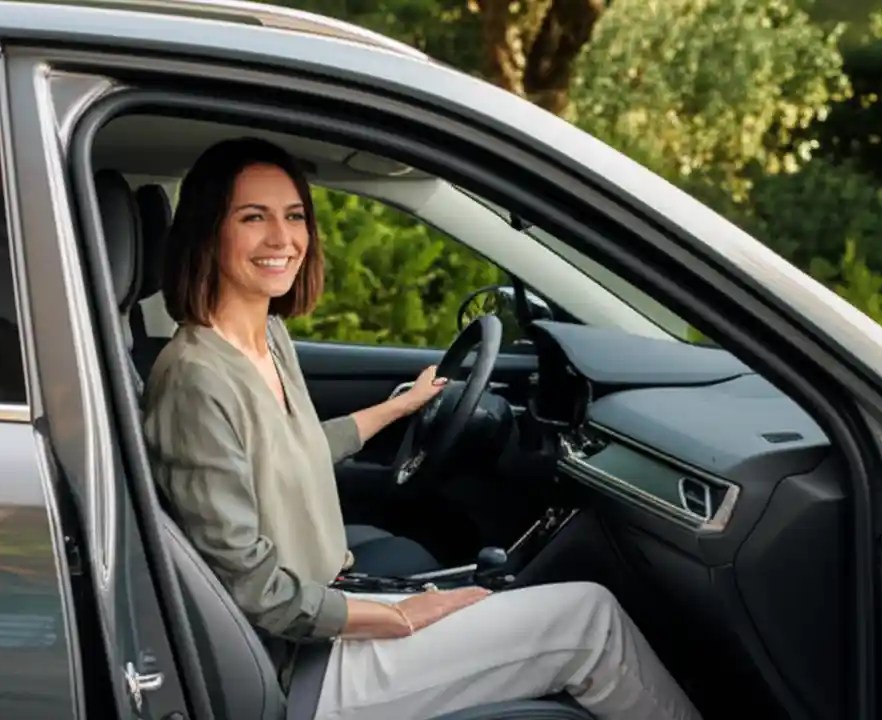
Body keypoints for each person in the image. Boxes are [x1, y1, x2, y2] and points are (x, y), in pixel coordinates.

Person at [141, 137, 702, 720]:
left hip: (329, 608)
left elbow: (291, 449)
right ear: (208, 232)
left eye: (295, 216)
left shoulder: (266, 338)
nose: (283, 239)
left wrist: (398, 409)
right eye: (253, 217)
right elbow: (253, 589)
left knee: (504, 601)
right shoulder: (194, 378)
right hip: (300, 664)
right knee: (590, 621)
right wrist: (403, 615)